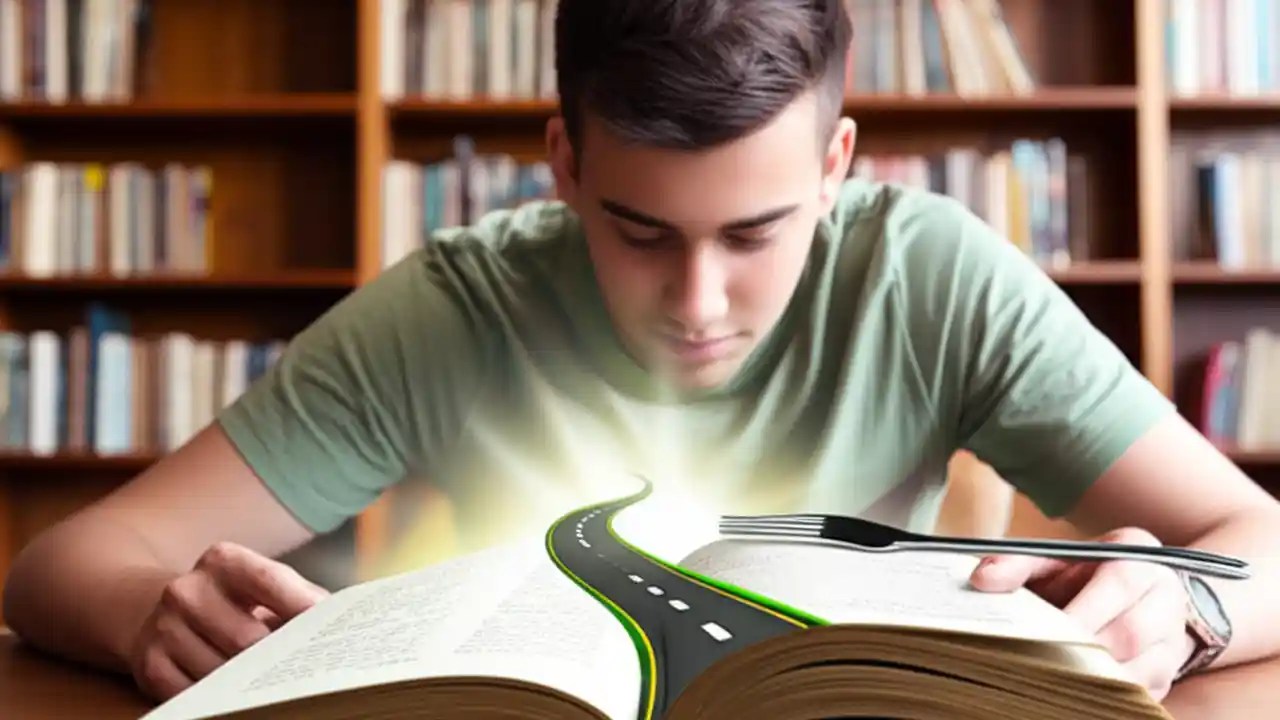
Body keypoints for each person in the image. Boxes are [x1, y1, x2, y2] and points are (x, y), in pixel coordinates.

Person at [4, 0, 1280, 709]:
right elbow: (64, 564)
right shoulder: (458, 303)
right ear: (563, 161)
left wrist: (1191, 599)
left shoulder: (930, 271)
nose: (698, 300)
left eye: (758, 231)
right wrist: (144, 613)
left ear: (835, 167)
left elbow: (1248, 532)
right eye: (637, 229)